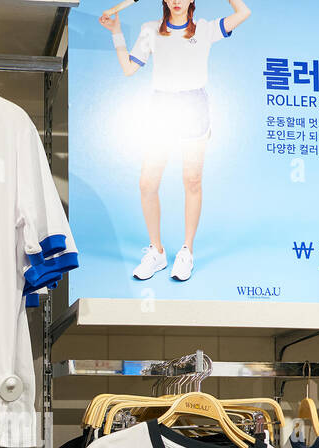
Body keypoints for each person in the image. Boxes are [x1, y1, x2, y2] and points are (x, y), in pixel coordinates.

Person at [100, 0, 251, 281]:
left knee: (192, 180)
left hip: (194, 107)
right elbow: (129, 69)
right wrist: (116, 31)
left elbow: (243, 13)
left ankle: (187, 251)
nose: (177, 1)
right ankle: (156, 252)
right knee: (147, 183)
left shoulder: (205, 30)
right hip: (162, 108)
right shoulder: (151, 29)